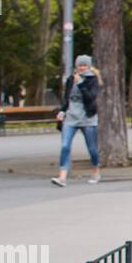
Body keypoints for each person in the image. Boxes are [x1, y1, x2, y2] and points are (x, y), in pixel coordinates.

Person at [52, 54, 101, 186]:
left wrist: (80, 83)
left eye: (84, 65)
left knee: (92, 148)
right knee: (65, 145)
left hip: (87, 117)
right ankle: (62, 176)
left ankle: (95, 171)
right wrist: (62, 111)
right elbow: (67, 97)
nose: (82, 68)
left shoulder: (93, 80)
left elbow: (90, 97)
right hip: (71, 116)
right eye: (80, 65)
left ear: (89, 66)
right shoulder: (70, 79)